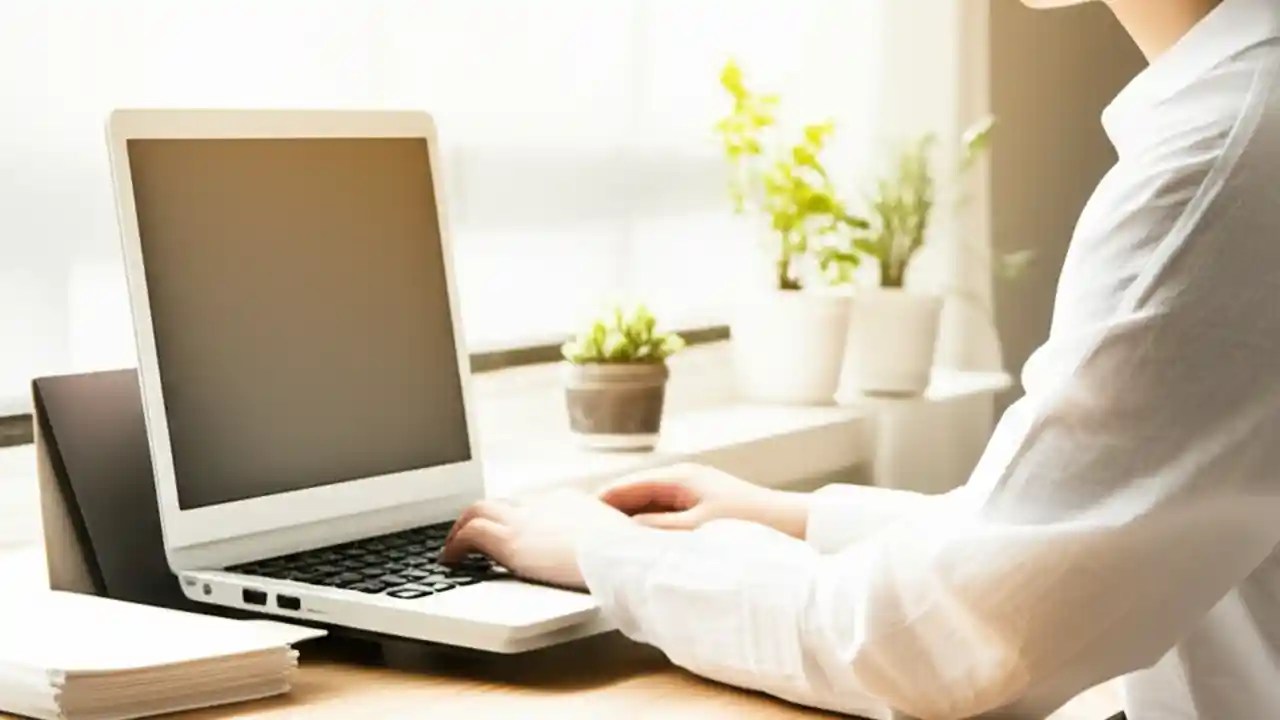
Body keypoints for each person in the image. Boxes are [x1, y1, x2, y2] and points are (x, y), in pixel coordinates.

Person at [442, 0, 1280, 717]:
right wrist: (798, 519)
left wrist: (609, 555)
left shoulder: (1227, 157)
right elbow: (1092, 528)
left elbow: (950, 647)